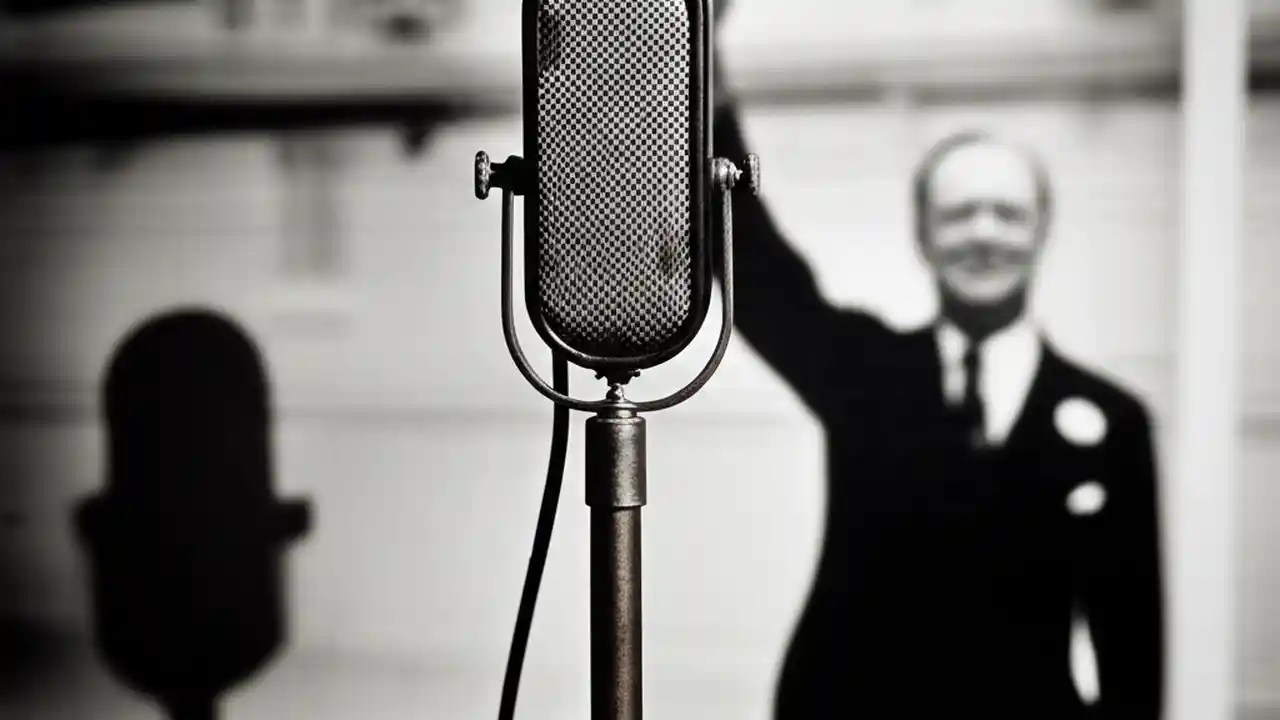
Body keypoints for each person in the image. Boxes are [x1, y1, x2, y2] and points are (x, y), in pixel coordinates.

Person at [712, 26, 1163, 720]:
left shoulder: (1112, 421)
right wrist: (705, 79)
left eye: (1008, 213)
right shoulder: (864, 373)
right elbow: (756, 267)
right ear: (921, 234)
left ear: (1043, 229)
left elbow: (1133, 645)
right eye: (957, 214)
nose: (983, 233)